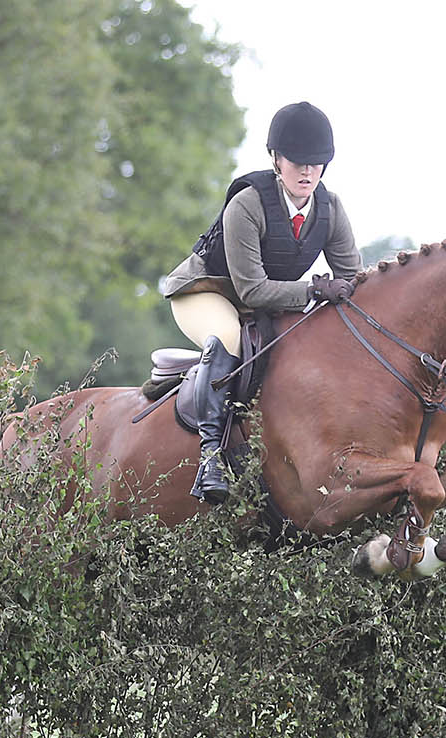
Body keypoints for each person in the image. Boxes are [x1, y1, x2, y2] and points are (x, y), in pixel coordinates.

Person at [160, 101, 362, 504]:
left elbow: (353, 279)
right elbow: (250, 290)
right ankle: (211, 458)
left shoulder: (330, 209)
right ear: (276, 159)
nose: (307, 172)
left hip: (264, 303)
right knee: (229, 338)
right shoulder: (248, 204)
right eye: (298, 161)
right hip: (208, 292)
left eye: (316, 163)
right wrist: (313, 291)